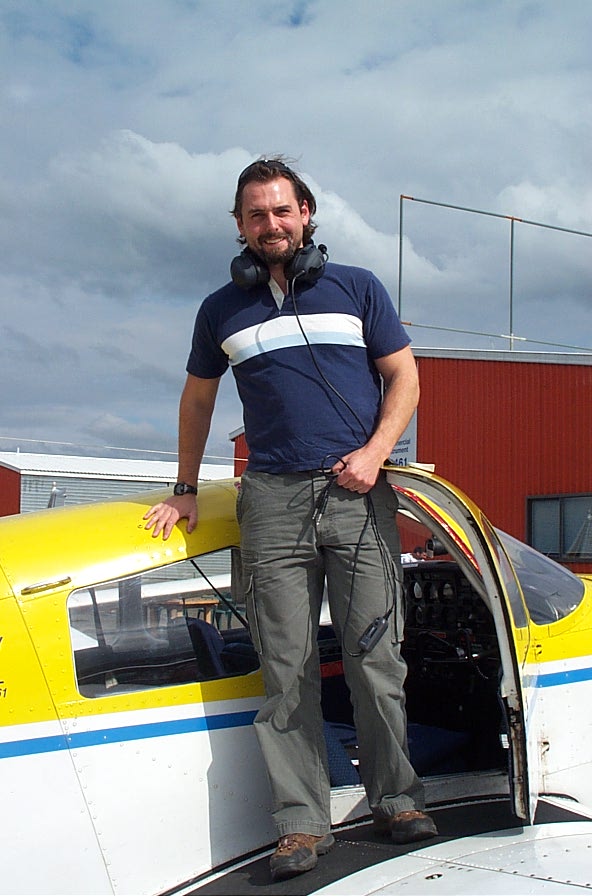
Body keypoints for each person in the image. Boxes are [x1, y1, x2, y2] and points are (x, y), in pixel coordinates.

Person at [143, 157, 438, 881]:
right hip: (271, 500)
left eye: (282, 211)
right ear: (239, 226)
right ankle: (302, 824)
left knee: (376, 657)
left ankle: (395, 799)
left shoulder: (357, 287)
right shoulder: (221, 309)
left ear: (305, 214)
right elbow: (198, 400)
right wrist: (185, 487)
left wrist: (376, 452)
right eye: (256, 214)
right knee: (286, 668)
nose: (270, 225)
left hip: (356, 490)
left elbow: (405, 375)